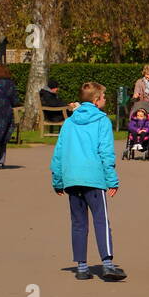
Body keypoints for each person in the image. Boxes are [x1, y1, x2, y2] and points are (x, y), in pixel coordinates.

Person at [50, 81, 126, 281]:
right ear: (96, 100)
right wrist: (112, 180)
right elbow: (106, 152)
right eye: (103, 97)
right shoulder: (102, 121)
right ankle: (107, 264)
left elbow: (58, 152)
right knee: (101, 220)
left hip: (72, 178)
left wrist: (57, 180)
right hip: (94, 178)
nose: (105, 100)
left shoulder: (69, 122)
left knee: (78, 223)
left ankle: (82, 267)